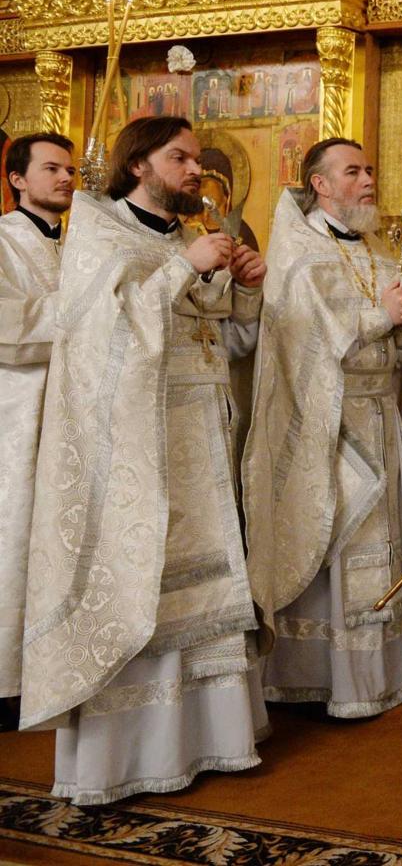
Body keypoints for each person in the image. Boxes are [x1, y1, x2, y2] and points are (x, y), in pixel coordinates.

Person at [20, 115, 269, 804]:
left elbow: (229, 344)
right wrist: (180, 273)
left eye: (197, 159)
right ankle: (125, 760)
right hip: (137, 452)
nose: (196, 170)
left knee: (205, 591)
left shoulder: (185, 236)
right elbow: (93, 334)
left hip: (201, 447)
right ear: (139, 165)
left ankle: (209, 740)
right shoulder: (99, 231)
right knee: (140, 591)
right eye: (180, 158)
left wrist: (244, 287)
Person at [243, 138, 402, 719]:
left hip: (382, 415)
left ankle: (381, 675)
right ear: (320, 184)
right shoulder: (300, 255)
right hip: (327, 425)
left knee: (382, 543)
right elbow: (302, 340)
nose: (367, 180)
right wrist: (383, 316)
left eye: (370, 169)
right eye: (352, 171)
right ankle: (327, 678)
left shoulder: (379, 250)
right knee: (338, 537)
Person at [0, 133, 75, 732]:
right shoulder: (2, 242)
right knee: (15, 544)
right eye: (51, 168)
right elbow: (11, 327)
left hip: (71, 419)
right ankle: (7, 685)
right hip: (18, 420)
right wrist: (90, 314)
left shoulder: (80, 248)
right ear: (17, 179)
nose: (66, 178)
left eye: (71, 169)